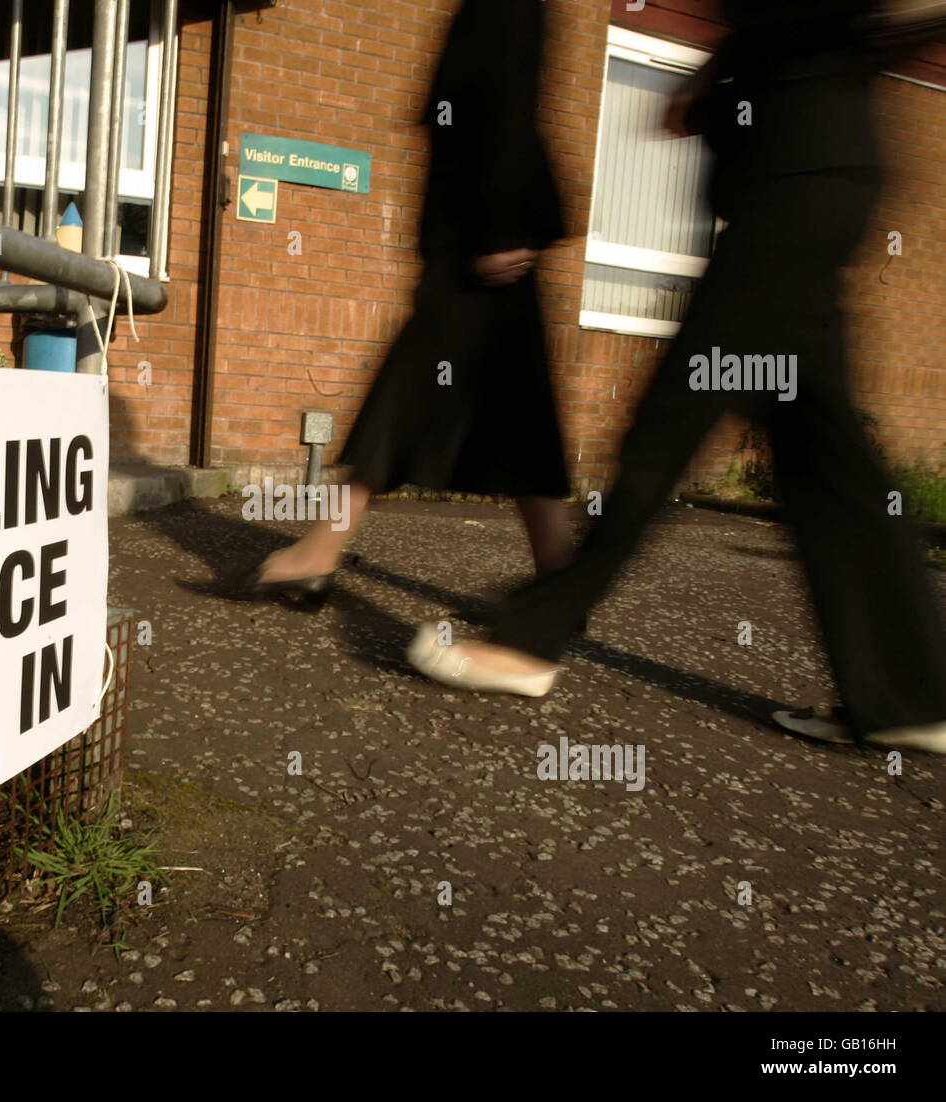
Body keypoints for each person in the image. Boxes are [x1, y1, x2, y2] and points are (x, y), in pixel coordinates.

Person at [408, 0, 946, 753]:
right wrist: (711, 83)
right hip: (813, 177)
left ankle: (529, 643)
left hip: (793, 184)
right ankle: (907, 693)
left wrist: (715, 87)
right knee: (824, 454)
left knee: (669, 422)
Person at [241, 0, 574, 608]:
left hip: (479, 249)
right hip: (479, 243)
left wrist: (498, 227)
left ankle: (319, 551)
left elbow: (505, 103)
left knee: (405, 401)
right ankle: (558, 581)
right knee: (515, 416)